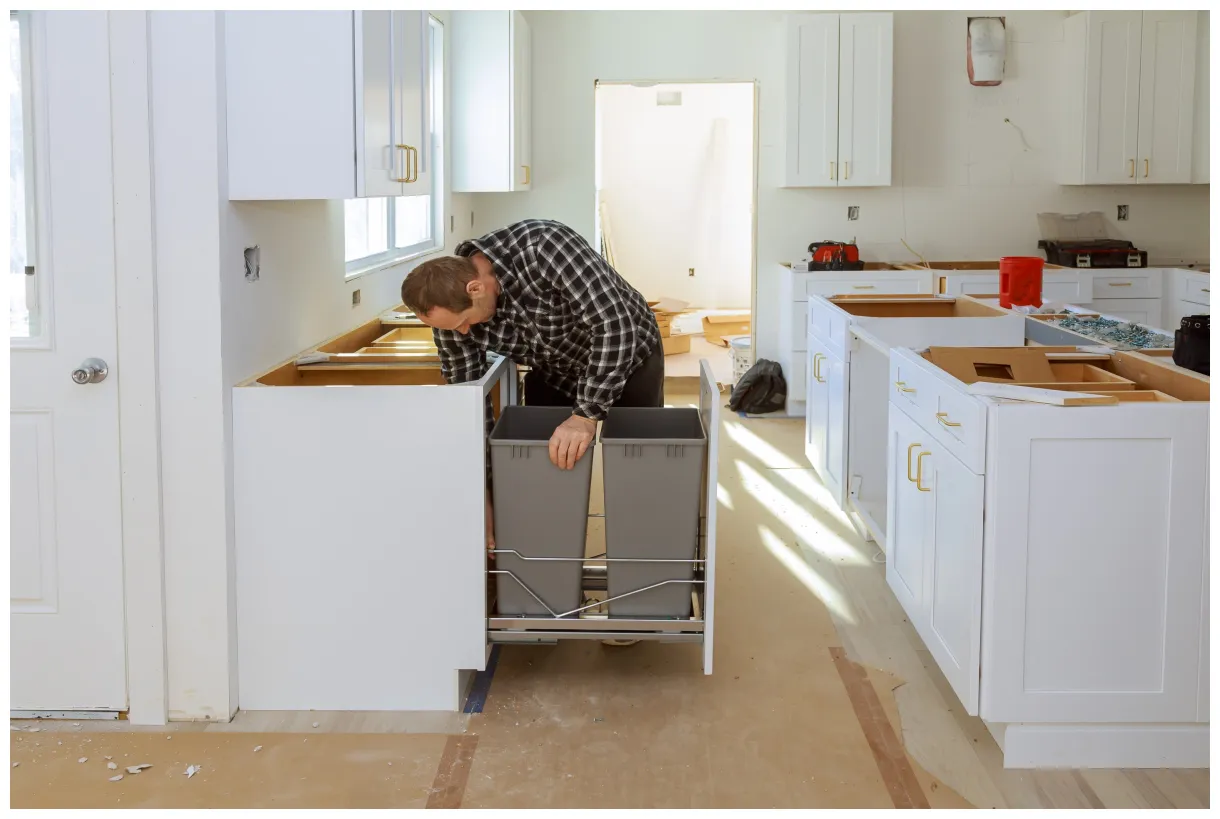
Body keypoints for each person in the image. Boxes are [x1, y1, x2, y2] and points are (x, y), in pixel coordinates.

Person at [400, 218, 664, 551]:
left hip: (630, 354)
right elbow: (467, 403)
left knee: (638, 466)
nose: (463, 333)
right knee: (545, 471)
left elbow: (614, 326)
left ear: (475, 288)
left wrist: (585, 417)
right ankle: (554, 569)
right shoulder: (450, 317)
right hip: (555, 368)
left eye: (465, 323)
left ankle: (641, 560)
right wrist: (483, 495)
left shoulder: (544, 247)